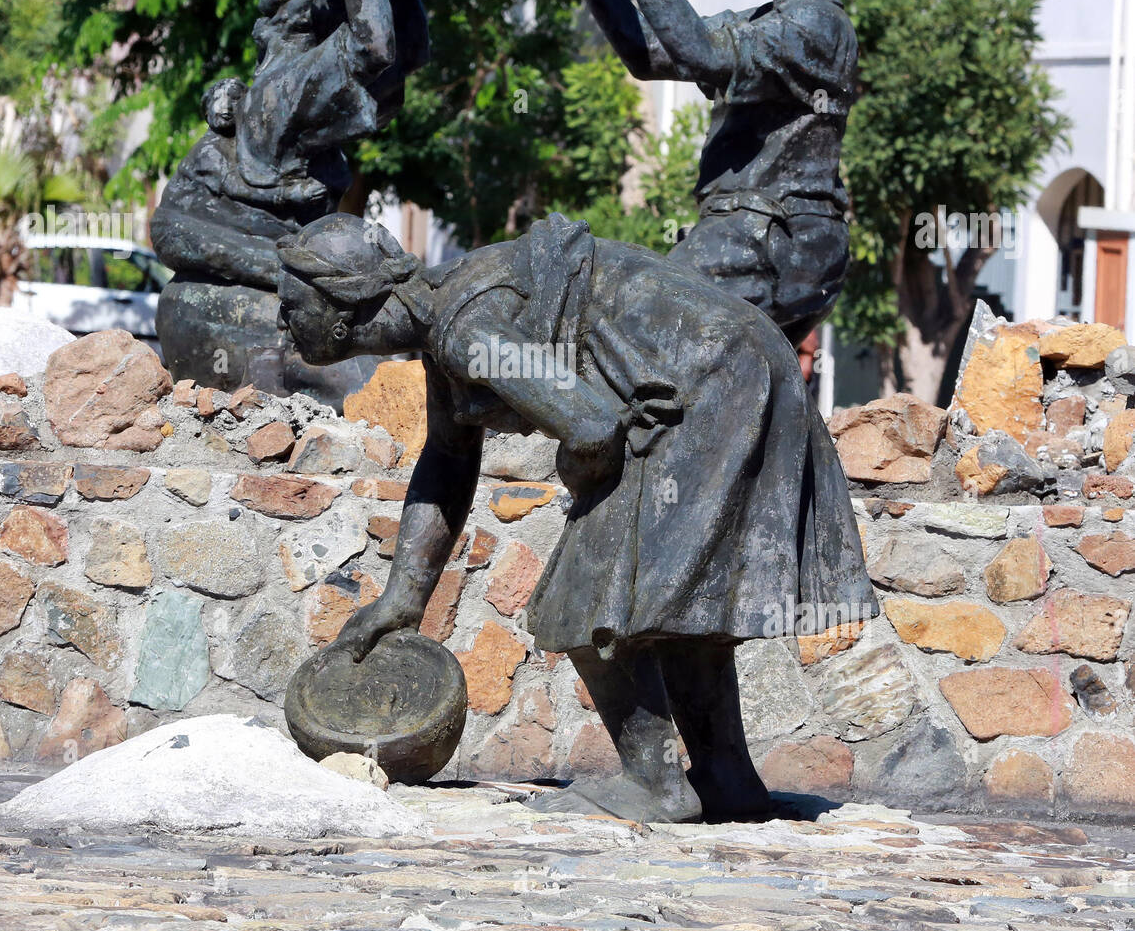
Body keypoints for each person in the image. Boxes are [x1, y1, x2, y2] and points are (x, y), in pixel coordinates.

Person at [275, 212, 876, 823]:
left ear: (340, 308)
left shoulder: (465, 325)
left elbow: (588, 428)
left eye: (291, 304)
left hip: (708, 379)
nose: (281, 321)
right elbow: (448, 460)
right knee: (675, 600)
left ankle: (654, 784)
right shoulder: (448, 317)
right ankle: (727, 779)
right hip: (738, 362)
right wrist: (402, 600)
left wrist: (585, 481)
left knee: (580, 597)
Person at [151, 0, 429, 398]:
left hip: (249, 311)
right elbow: (379, 43)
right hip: (237, 322)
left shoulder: (290, 81)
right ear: (318, 3)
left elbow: (409, 45)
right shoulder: (288, 87)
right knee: (379, 403)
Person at [547, 0, 857, 345]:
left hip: (781, 237)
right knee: (691, 374)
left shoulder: (818, 26)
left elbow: (703, 52)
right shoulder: (762, 21)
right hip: (755, 231)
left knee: (629, 312)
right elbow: (645, 52)